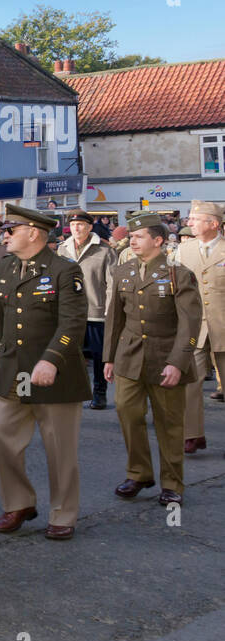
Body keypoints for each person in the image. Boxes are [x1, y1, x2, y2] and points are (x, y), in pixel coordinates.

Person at [0, 205, 91, 541]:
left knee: (59, 449)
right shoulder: (5, 267)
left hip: (54, 374)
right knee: (3, 436)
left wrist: (51, 358)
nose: (4, 235)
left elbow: (73, 322)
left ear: (33, 232)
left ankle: (63, 513)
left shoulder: (65, 270)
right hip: (12, 371)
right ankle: (19, 503)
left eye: (10, 230)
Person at [105, 212, 201, 507]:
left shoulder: (178, 274)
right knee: (127, 412)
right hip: (129, 356)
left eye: (138, 236)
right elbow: (114, 319)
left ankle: (172, 483)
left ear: (157, 240)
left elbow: (190, 323)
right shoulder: (124, 271)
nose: (131, 241)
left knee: (169, 423)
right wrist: (108, 358)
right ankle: (139, 473)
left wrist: (178, 362)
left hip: (165, 356)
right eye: (130, 237)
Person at [175, 200, 225, 454]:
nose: (189, 223)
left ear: (213, 224)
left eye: (195, 220)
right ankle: (192, 434)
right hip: (194, 329)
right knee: (189, 383)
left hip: (223, 327)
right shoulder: (184, 251)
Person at [57, 209, 118, 410]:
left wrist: (110, 311)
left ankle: (99, 393)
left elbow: (112, 284)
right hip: (70, 313)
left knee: (99, 355)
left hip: (96, 312)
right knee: (70, 354)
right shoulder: (62, 249)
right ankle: (73, 391)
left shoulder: (104, 250)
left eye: (81, 224)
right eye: (73, 225)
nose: (76, 228)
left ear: (90, 227)